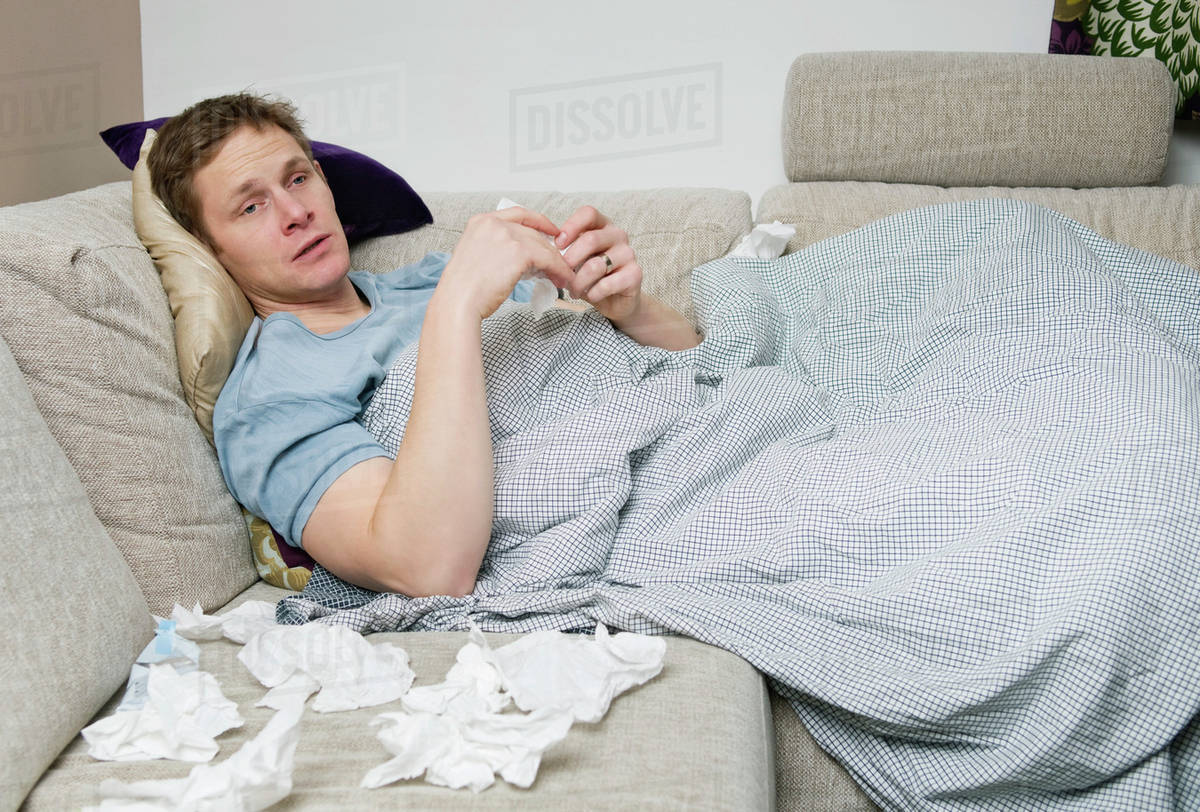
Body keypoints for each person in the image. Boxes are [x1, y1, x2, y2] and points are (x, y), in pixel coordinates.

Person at [148, 93, 702, 599]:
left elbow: (693, 367)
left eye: (296, 180)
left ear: (323, 180)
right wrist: (456, 309)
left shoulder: (432, 277)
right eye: (251, 207)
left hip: (696, 434)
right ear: (208, 250)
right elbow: (427, 566)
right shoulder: (267, 400)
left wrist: (629, 308)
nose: (297, 213)